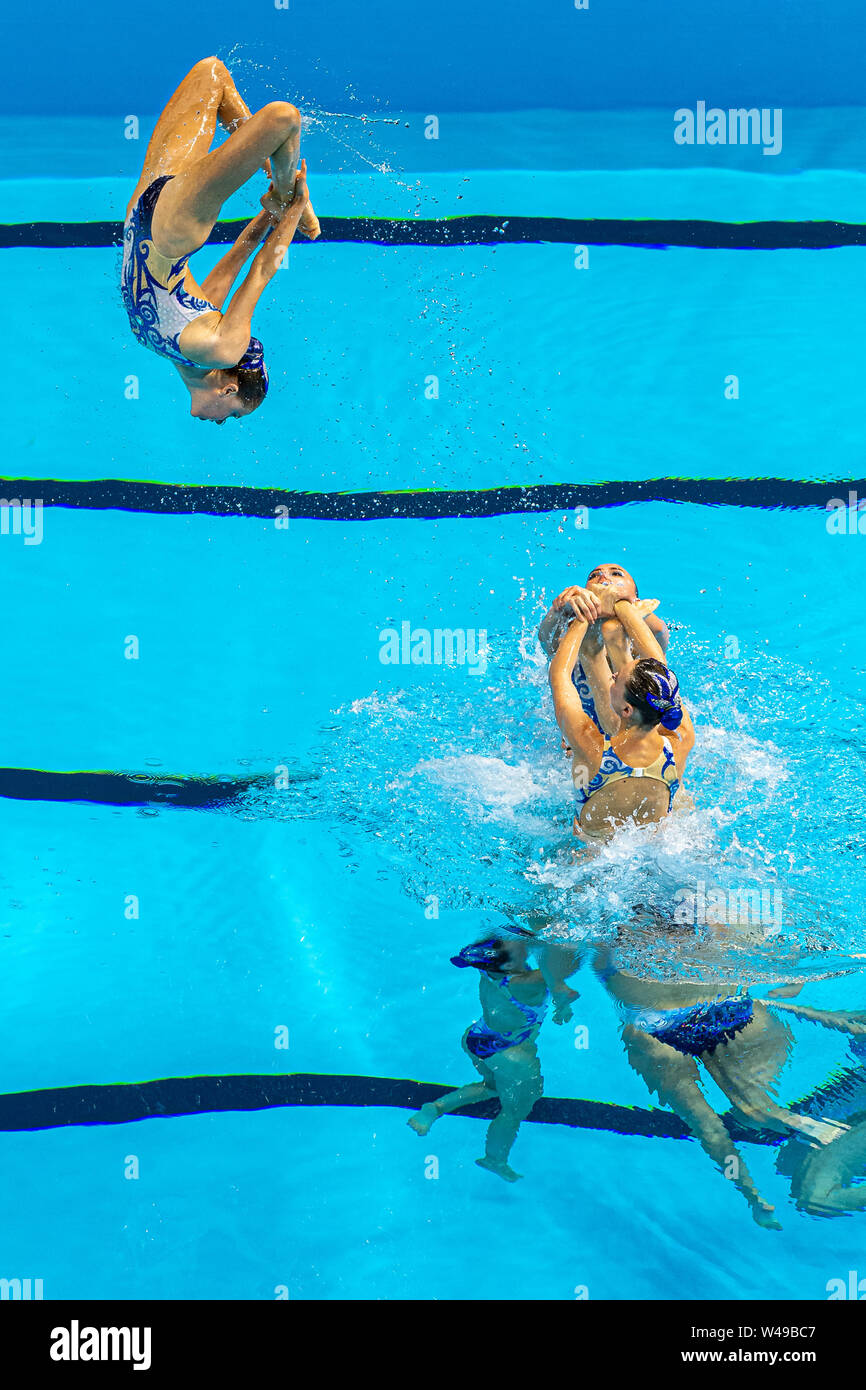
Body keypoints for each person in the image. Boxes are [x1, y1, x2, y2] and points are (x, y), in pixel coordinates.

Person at [121, 57, 319, 421]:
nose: (220, 421)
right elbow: (260, 271)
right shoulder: (224, 349)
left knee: (210, 75)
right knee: (282, 118)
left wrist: (269, 217)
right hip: (171, 228)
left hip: (143, 208)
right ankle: (287, 189)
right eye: (232, 414)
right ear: (229, 389)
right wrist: (292, 211)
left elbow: (235, 259)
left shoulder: (195, 345)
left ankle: (281, 191)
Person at [548, 587, 694, 842]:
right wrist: (624, 606)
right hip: (655, 849)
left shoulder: (590, 746)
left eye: (617, 679)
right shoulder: (681, 739)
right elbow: (659, 665)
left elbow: (560, 675)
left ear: (627, 710)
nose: (613, 675)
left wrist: (584, 616)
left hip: (587, 859)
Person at [407, 933, 549, 1181]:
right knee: (514, 1109)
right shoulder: (524, 984)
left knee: (492, 1086)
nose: (520, 942)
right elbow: (563, 968)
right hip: (510, 1054)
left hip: (476, 1038)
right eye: (517, 945)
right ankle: (494, 1160)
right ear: (507, 964)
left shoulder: (489, 969)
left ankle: (435, 1107)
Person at [539, 563, 670, 737]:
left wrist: (627, 606)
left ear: (637, 599)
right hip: (582, 738)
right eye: (593, 576)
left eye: (616, 574)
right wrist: (561, 609)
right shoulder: (573, 640)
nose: (603, 578)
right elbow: (546, 640)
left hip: (635, 733)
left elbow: (660, 631)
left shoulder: (637, 645)